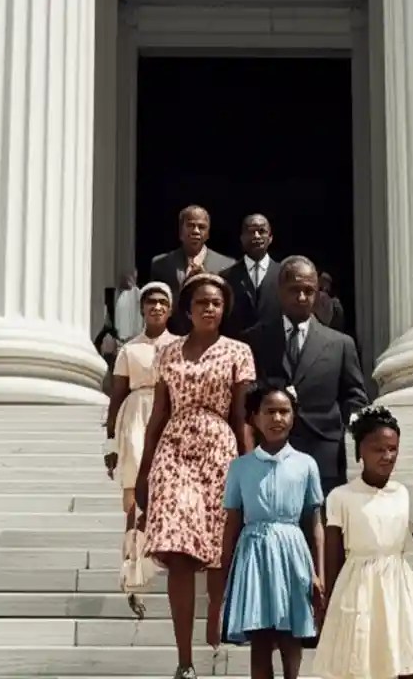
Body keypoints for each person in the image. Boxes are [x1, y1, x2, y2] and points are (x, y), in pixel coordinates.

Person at [135, 272, 255, 679]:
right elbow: (157, 416)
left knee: (219, 545)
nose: (209, 308)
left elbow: (242, 417)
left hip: (219, 447)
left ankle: (216, 622)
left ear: (224, 310)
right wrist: (143, 471)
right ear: (187, 309)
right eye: (201, 302)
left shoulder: (239, 351)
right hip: (174, 450)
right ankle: (184, 659)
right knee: (177, 548)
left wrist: (251, 467)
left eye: (216, 303)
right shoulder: (167, 353)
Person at [311, 404, 413, 679]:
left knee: (410, 663)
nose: (388, 456)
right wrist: (328, 607)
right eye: (378, 449)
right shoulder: (340, 497)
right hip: (357, 590)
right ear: (360, 450)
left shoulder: (407, 494)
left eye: (393, 449)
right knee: (361, 666)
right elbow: (333, 559)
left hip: (399, 592)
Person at [220, 381, 325, 679]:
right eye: (269, 411)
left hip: (293, 554)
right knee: (261, 638)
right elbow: (232, 521)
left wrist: (319, 573)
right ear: (254, 416)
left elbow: (315, 524)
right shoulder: (240, 467)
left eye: (284, 411)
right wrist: (224, 569)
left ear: (294, 416)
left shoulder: (306, 464)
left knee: (292, 635)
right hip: (253, 554)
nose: (277, 418)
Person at [242, 256, 368, 499]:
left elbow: (354, 397)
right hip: (269, 453)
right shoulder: (254, 340)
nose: (302, 297)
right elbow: (246, 396)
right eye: (294, 290)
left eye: (309, 291)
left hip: (324, 456)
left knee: (320, 532)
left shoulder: (340, 344)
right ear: (280, 291)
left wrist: (356, 425)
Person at [103, 282, 176, 617]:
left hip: (170, 423)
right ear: (142, 309)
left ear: (170, 309)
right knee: (135, 499)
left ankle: (164, 562)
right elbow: (116, 397)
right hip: (135, 419)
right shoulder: (128, 349)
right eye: (150, 303)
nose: (157, 307)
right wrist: (109, 442)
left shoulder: (180, 347)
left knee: (167, 496)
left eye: (163, 302)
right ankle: (133, 576)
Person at [149, 205, 236, 335]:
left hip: (212, 341)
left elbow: (229, 311)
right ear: (180, 231)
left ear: (208, 233)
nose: (196, 231)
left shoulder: (226, 266)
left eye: (201, 227)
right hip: (174, 339)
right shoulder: (161, 264)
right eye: (190, 225)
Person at [221, 214, 280, 338]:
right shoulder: (226, 277)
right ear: (242, 238)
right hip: (237, 350)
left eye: (261, 231)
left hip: (275, 350)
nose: (256, 236)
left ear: (270, 238)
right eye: (251, 232)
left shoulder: (283, 275)